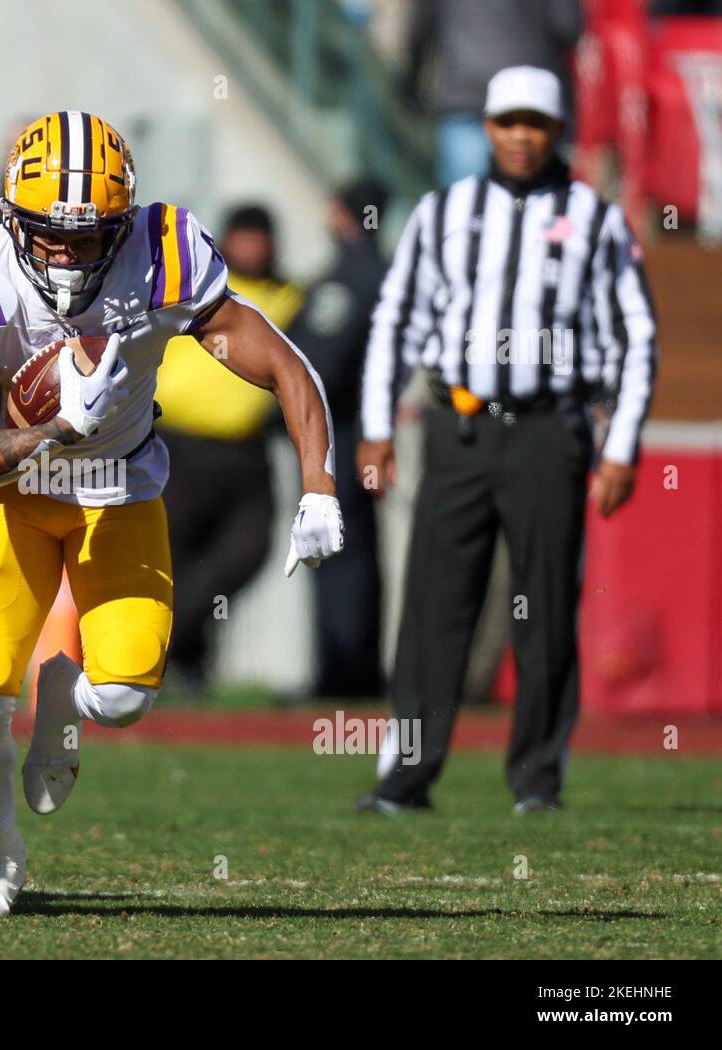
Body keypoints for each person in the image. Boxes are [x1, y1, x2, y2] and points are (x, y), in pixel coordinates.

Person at [0, 111, 343, 917]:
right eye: (48, 234)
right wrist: (58, 426)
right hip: (8, 501)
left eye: (89, 238)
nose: (67, 254)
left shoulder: (165, 254)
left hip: (120, 493)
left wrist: (319, 485)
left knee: (121, 698)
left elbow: (285, 365)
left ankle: (62, 698)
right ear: (12, 220)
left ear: (123, 225)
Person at [355, 66, 658, 813]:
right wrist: (374, 427)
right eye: (507, 122)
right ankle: (406, 776)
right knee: (433, 603)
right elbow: (398, 318)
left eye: (536, 123)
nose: (521, 136)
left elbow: (636, 332)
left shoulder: (596, 218)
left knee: (546, 605)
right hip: (459, 426)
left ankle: (536, 780)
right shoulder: (443, 212)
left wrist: (621, 442)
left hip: (549, 431)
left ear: (558, 131)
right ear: (486, 127)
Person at [153, 204, 304, 696]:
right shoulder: (194, 291)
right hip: (179, 447)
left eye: (261, 239)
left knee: (249, 550)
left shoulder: (289, 298)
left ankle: (171, 639)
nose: (253, 249)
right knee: (174, 557)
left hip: (244, 452)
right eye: (244, 239)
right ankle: (183, 666)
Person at [286, 180, 389, 698]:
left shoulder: (347, 281)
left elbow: (316, 361)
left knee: (332, 553)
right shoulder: (384, 272)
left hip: (336, 430)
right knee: (360, 551)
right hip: (365, 428)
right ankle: (359, 670)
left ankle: (342, 676)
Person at [408, 0, 583, 185]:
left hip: (467, 92)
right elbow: (569, 28)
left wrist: (412, 78)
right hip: (529, 94)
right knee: (535, 204)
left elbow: (421, 27)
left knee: (466, 204)